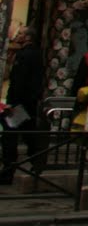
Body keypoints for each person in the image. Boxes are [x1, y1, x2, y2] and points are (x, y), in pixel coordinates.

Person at [2, 26, 46, 186]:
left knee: (10, 136)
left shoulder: (25, 55)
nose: (17, 35)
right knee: (28, 134)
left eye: (20, 33)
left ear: (28, 37)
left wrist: (12, 103)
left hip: (19, 104)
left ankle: (8, 171)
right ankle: (37, 162)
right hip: (28, 102)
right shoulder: (37, 54)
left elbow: (19, 81)